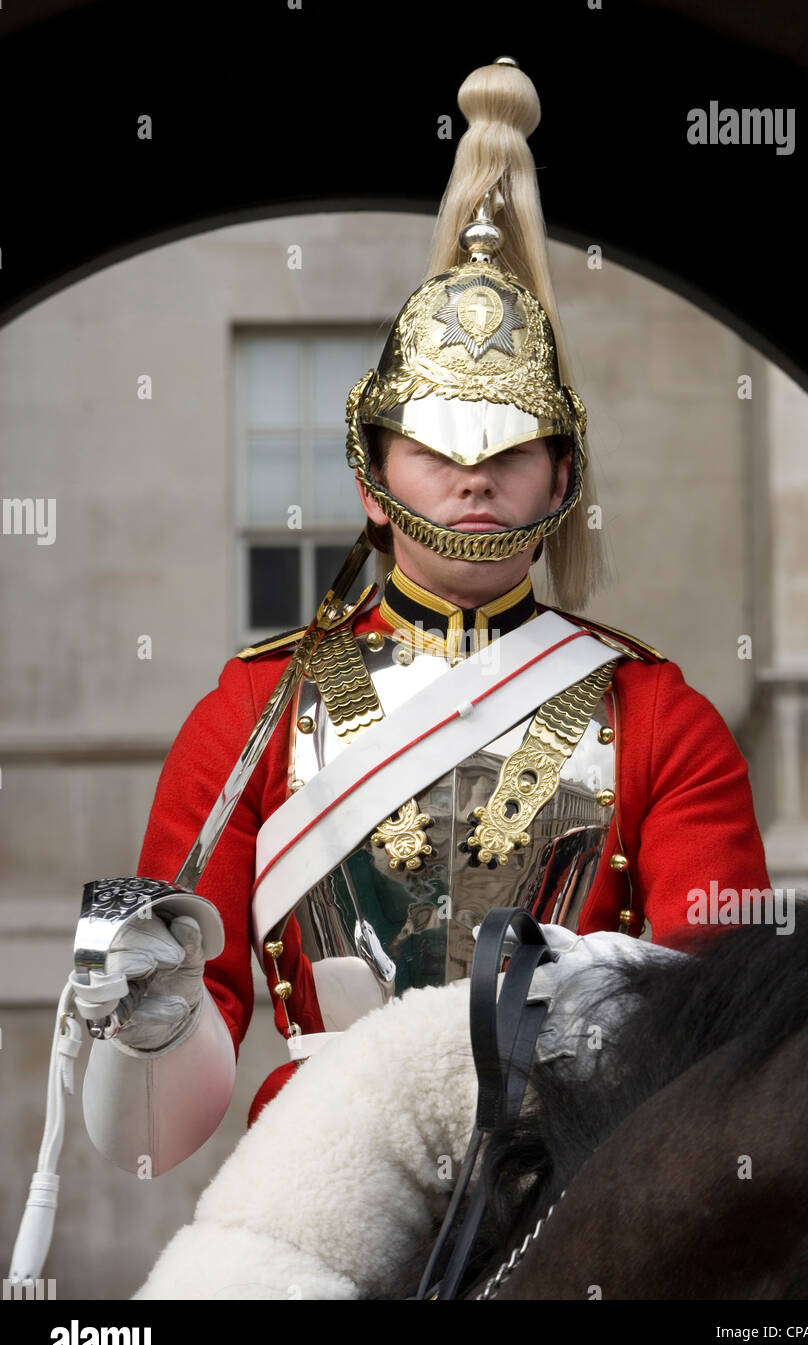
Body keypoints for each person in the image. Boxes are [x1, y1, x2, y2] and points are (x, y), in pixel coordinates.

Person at [75, 58, 771, 1179]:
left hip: (571, 1174)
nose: (473, 476)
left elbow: (714, 1022)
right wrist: (141, 1009)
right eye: (438, 447)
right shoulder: (257, 708)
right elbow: (154, 1135)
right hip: (317, 1172)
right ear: (371, 474)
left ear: (561, 479)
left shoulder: (658, 714)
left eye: (506, 449)